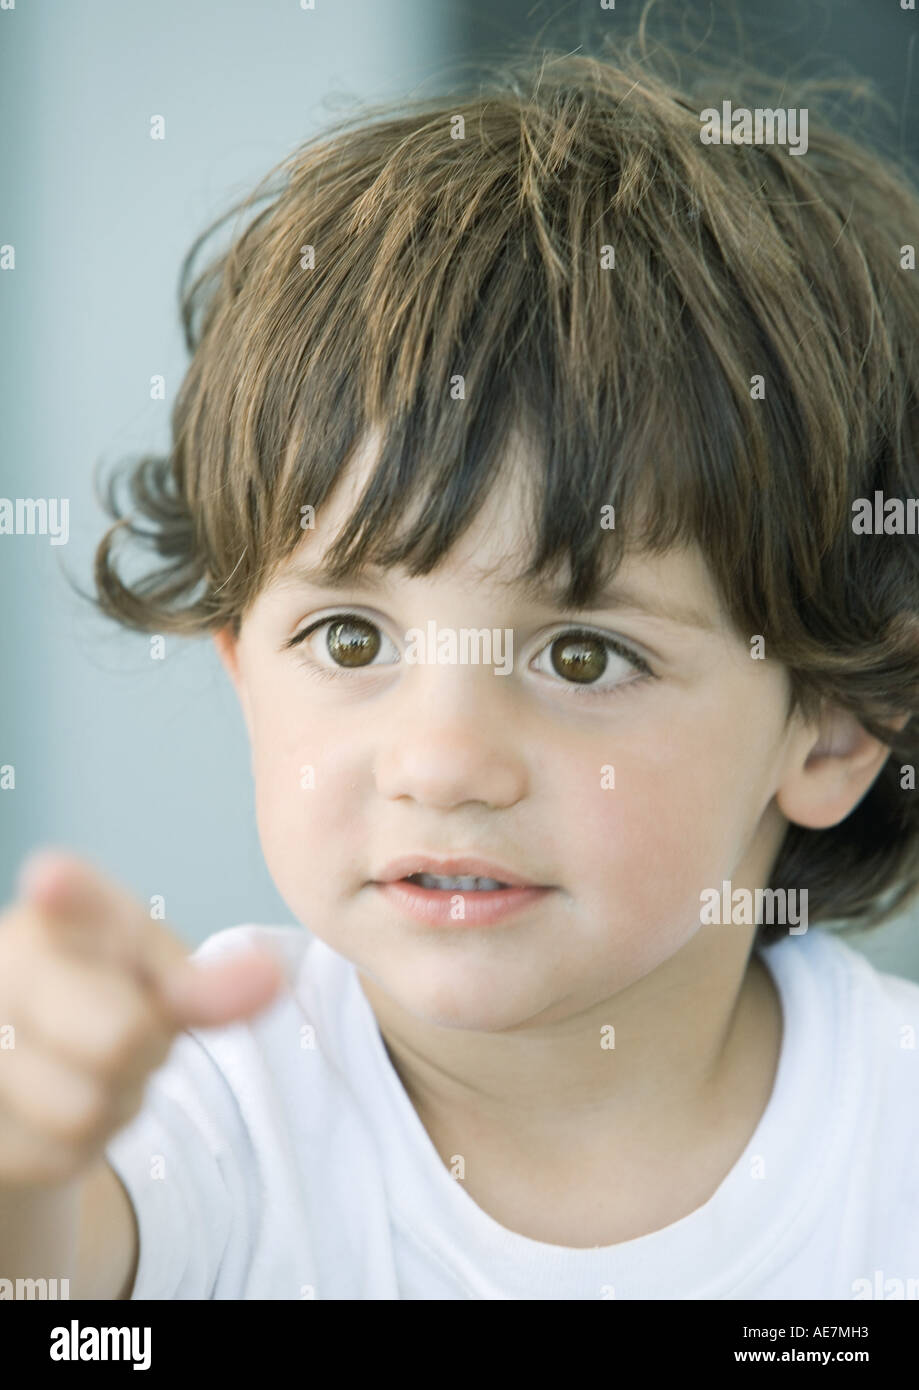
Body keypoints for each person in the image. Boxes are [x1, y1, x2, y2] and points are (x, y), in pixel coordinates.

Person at [3, 28, 919, 1300]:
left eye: (583, 656)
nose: (440, 763)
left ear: (833, 727)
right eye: (351, 640)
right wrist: (26, 1160)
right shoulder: (209, 1111)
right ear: (241, 672)